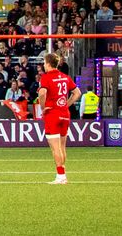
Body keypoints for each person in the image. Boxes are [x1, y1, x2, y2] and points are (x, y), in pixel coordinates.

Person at [37, 52, 78, 185]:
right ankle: (62, 175)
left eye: (44, 63)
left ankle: (61, 176)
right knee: (62, 147)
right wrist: (67, 104)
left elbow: (42, 93)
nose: (43, 65)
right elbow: (77, 93)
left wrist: (43, 107)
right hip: (64, 114)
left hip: (53, 114)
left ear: (48, 64)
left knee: (55, 148)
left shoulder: (46, 77)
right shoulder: (65, 77)